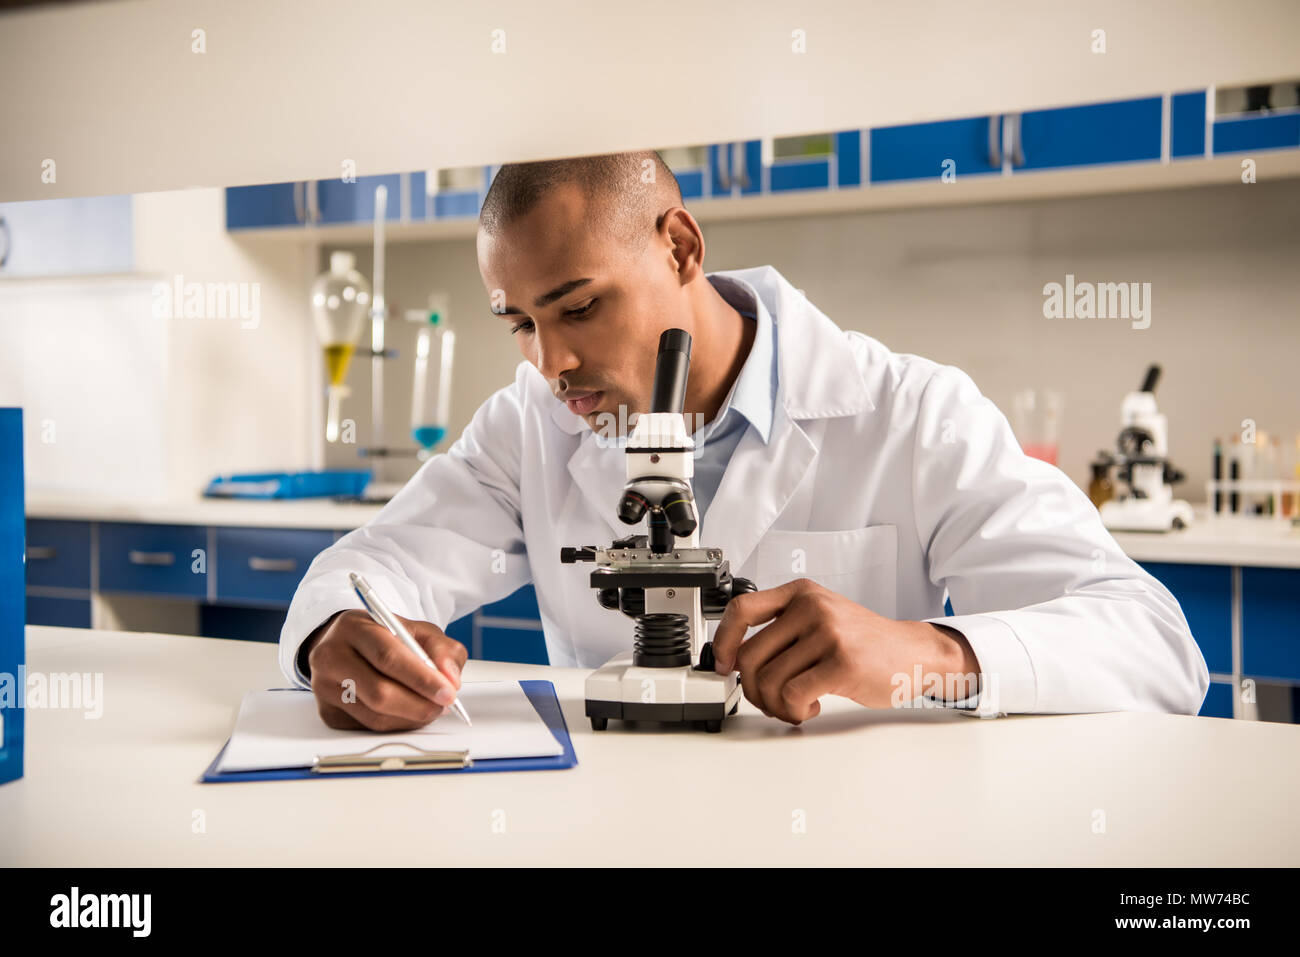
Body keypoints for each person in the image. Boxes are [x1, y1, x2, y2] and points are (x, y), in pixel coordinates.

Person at [280, 149, 1208, 731]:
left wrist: (921, 655)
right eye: (519, 322)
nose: (552, 360)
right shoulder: (527, 423)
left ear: (681, 246)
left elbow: (1156, 647)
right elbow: (371, 566)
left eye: (579, 306)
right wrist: (341, 637)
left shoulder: (911, 412)